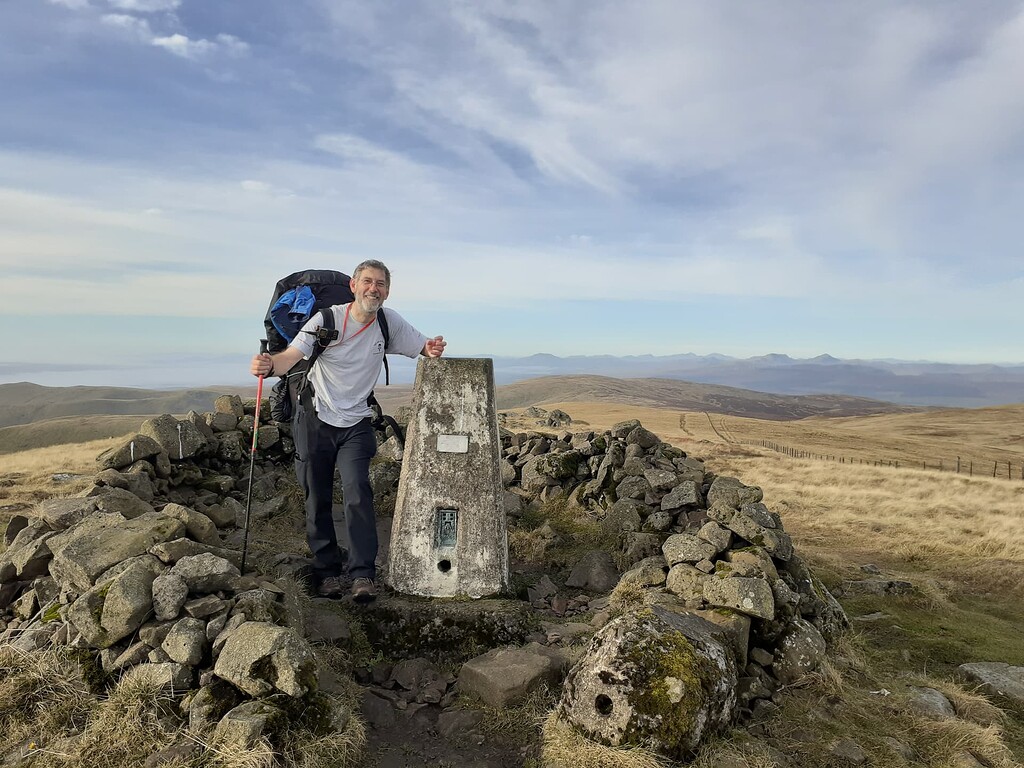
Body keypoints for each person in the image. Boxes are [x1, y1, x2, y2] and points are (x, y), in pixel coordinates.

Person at [250, 260, 445, 602]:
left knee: (357, 492)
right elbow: (291, 357)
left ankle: (362, 576)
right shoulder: (326, 320)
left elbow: (422, 346)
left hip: (356, 422)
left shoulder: (388, 322)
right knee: (317, 496)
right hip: (315, 419)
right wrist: (269, 365)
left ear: (387, 290)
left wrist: (431, 349)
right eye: (368, 281)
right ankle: (326, 573)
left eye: (381, 283)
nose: (374, 288)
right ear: (354, 286)